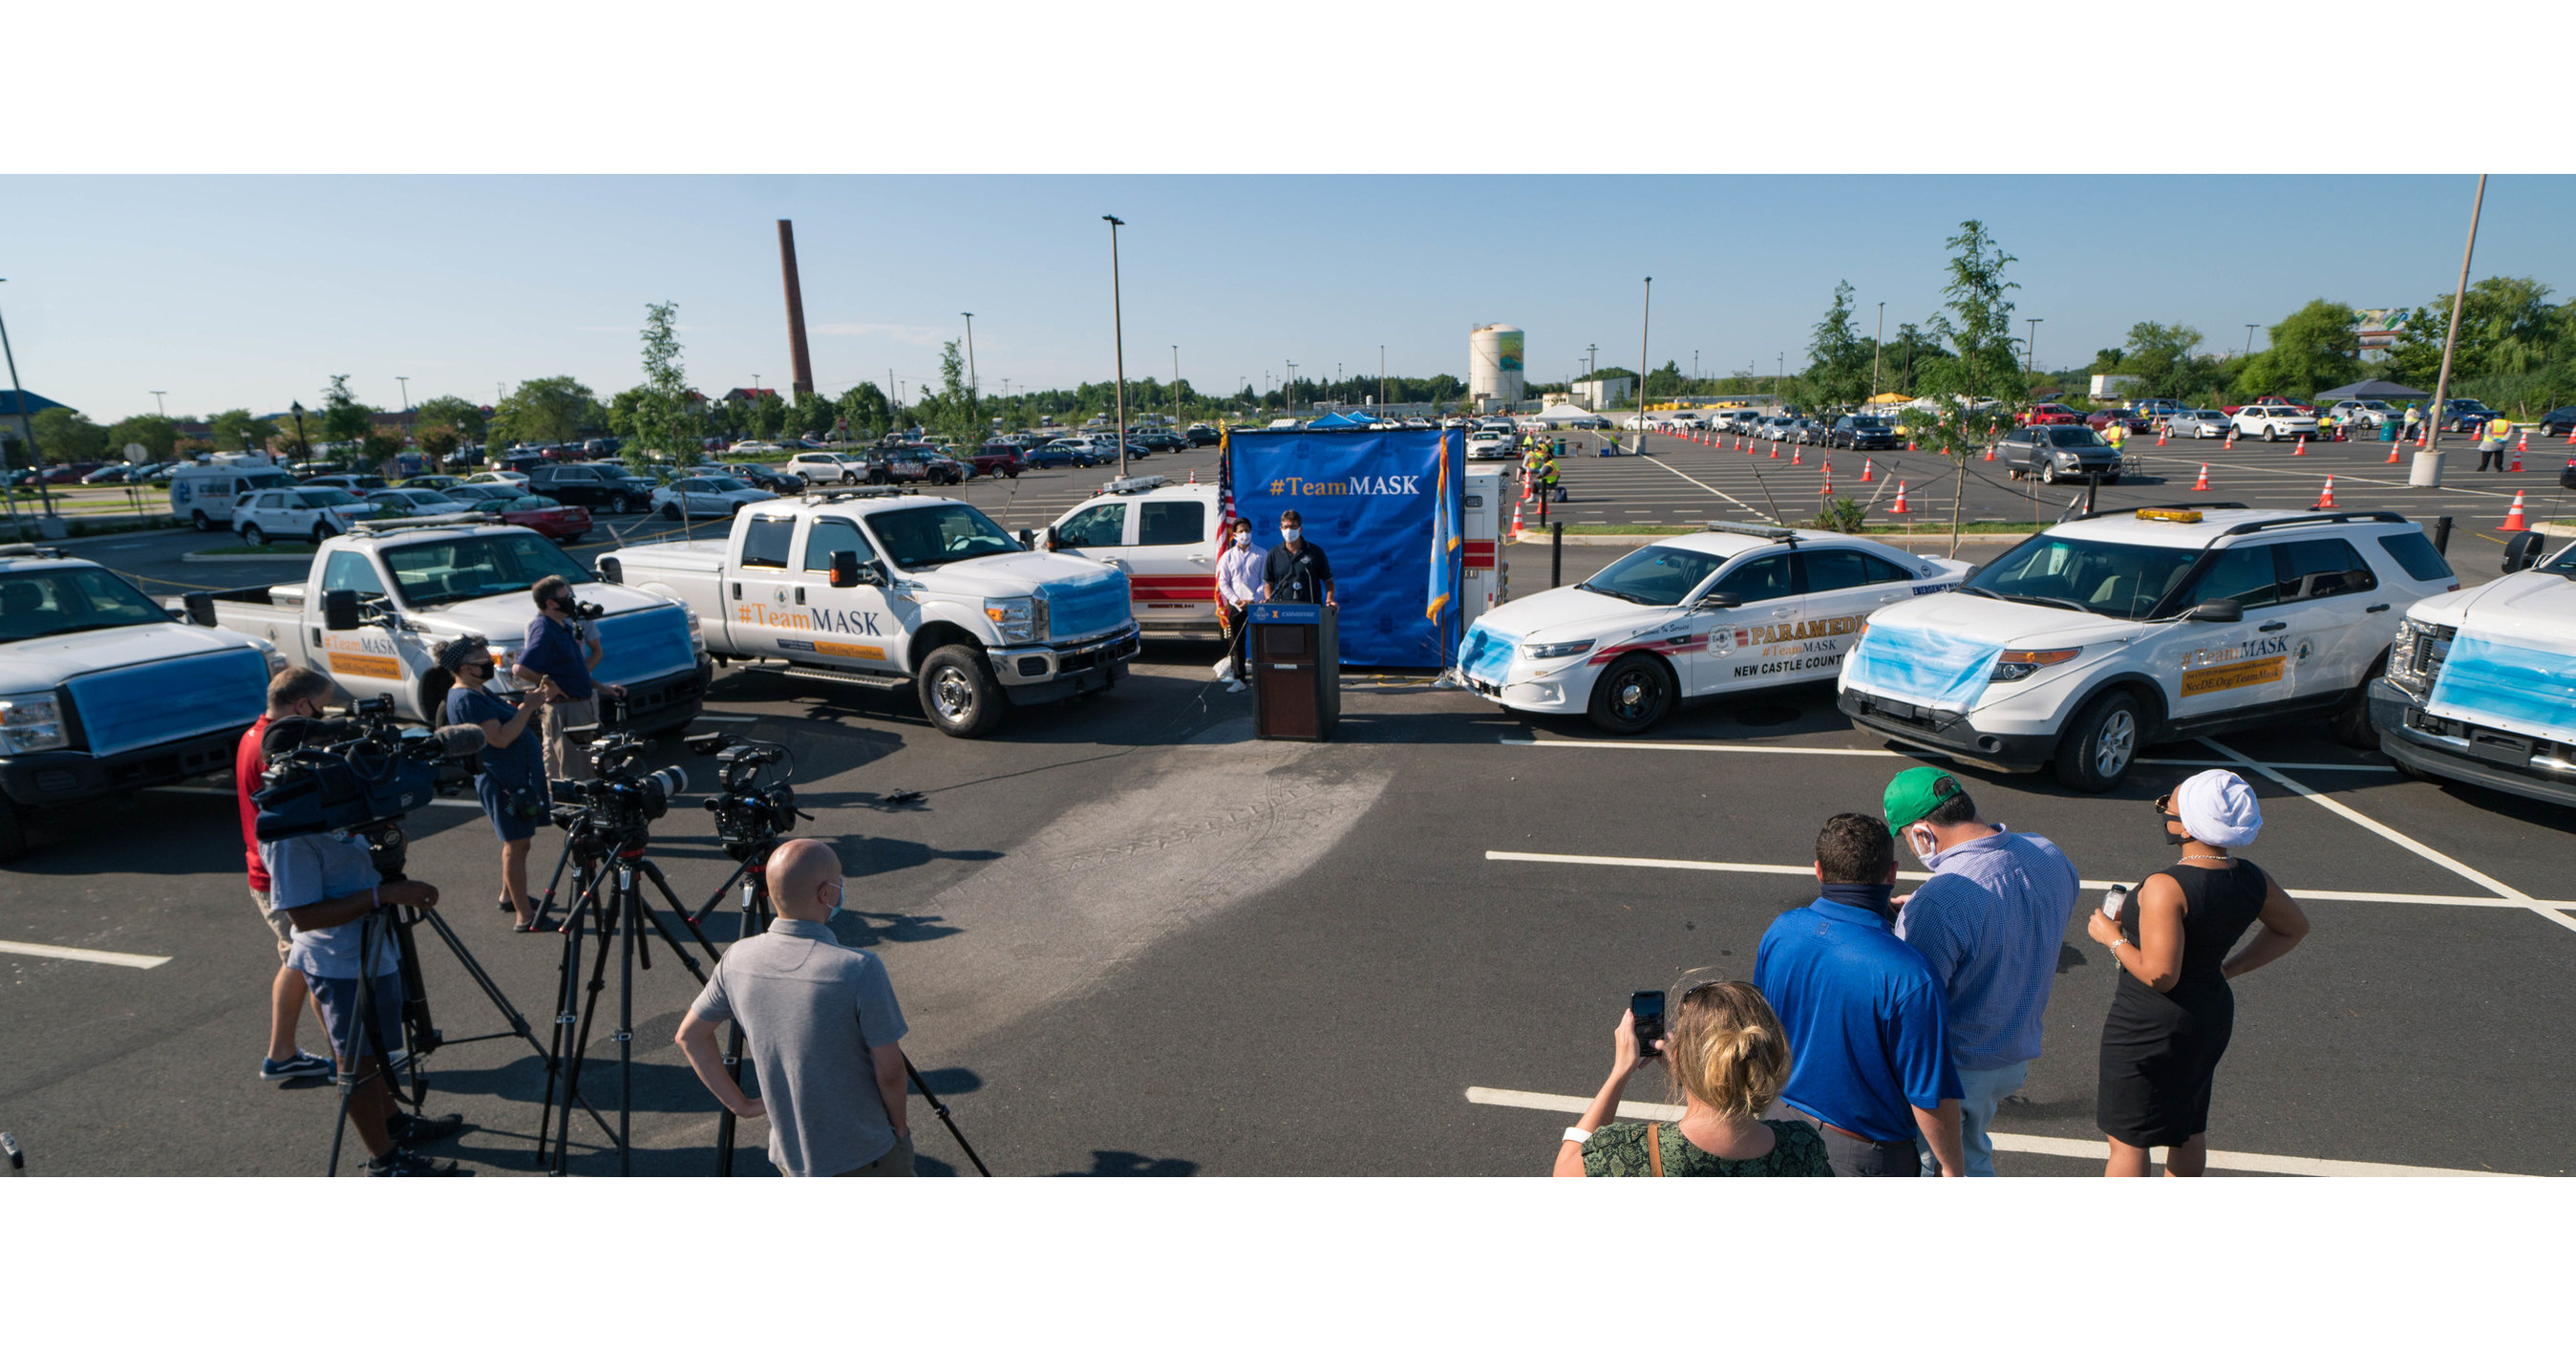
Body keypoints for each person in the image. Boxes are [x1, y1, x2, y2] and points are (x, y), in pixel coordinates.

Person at [258, 716, 463, 1176]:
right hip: (339, 960)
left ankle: (395, 1124)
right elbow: (303, 916)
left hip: (372, 945)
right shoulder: (290, 829)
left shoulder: (334, 802)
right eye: (326, 748)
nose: (338, 757)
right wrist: (383, 895)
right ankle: (384, 1160)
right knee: (358, 1063)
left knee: (371, 1056)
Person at [2089, 770, 2309, 1177]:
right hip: (2209, 1012)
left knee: (2128, 1138)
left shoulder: (2165, 886)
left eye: (2165, 807)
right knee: (2187, 1126)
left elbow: (2160, 976)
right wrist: (2227, 969)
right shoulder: (2251, 877)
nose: (2162, 813)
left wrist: (2111, 938)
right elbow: (2293, 927)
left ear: (2187, 825)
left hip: (2148, 1022)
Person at [1882, 767, 2082, 1177]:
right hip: (2015, 1048)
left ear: (1922, 834)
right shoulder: (2048, 852)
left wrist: (1922, 913)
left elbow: (1914, 1002)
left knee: (1954, 1167)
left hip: (1958, 1069)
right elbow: (2011, 903)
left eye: (1905, 837)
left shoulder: (1940, 902)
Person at [675, 838, 914, 1176]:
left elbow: (689, 1036)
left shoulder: (736, 959)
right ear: (825, 894)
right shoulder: (858, 968)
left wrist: (742, 1105)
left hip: (791, 1156)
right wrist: (899, 1129)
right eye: (839, 880)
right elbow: (890, 1072)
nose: (841, 887)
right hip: (865, 1154)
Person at [1754, 812, 1966, 1176]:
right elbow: (1928, 1095)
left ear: (1819, 871)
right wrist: (1951, 1167)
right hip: (1863, 1155)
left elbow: (1761, 1027)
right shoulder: (1911, 975)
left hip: (1777, 1125)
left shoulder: (1781, 931)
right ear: (1892, 873)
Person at [1552, 981, 1831, 1177]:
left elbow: (1564, 1171)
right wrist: (1692, 1074)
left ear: (1687, 1058)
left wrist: (1619, 1073)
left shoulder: (1628, 1154)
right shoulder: (1803, 1149)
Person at [239, 667, 334, 1083]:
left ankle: (281, 1055)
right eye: (322, 706)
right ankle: (347, 1059)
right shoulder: (277, 749)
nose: (323, 715)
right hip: (283, 875)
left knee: (295, 960)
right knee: (319, 967)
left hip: (265, 871)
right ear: (301, 705)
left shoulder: (253, 736)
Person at [438, 636, 554, 932]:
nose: (489, 665)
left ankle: (508, 896)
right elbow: (500, 738)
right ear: (464, 668)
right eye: (483, 662)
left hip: (510, 780)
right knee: (516, 846)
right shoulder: (466, 699)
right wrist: (527, 708)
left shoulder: (477, 690)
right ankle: (525, 917)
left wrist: (527, 703)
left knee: (518, 843)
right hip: (503, 783)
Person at [512, 574, 620, 784]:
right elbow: (520, 668)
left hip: (577, 703)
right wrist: (549, 684)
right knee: (578, 770)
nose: (570, 600)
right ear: (551, 603)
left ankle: (557, 805)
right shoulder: (544, 630)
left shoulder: (562, 626)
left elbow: (572, 669)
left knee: (558, 766)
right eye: (566, 596)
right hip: (568, 710)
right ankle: (575, 812)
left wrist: (599, 686)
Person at [1211, 517, 1263, 693]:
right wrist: (1236, 600)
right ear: (1234, 535)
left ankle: (1262, 676)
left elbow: (1266, 581)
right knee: (1237, 642)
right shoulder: (1227, 557)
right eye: (1241, 531)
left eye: (1247, 530)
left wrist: (1254, 599)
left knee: (1260, 641)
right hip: (1237, 605)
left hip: (1256, 605)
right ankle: (1239, 678)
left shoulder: (1261, 554)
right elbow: (1224, 583)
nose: (1245, 534)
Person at [1262, 508, 1335, 609]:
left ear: (1300, 529)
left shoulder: (1315, 552)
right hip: (1282, 612)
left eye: (1293, 527)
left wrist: (1329, 600)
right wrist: (1269, 601)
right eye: (1286, 527)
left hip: (1311, 611)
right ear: (1281, 529)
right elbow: (1269, 583)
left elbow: (1328, 581)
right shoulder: (1273, 553)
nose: (1289, 531)